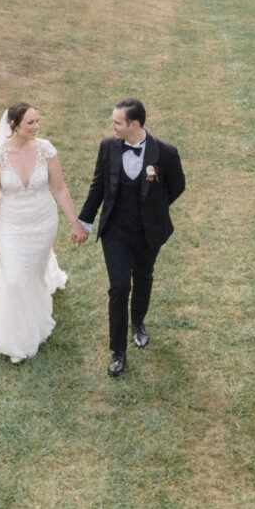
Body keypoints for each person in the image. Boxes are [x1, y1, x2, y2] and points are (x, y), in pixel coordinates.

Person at [73, 98, 185, 376]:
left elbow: (177, 186)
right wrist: (84, 222)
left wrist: (154, 210)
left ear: (134, 124)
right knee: (119, 286)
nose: (112, 126)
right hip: (116, 232)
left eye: (117, 122)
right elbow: (98, 186)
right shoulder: (108, 147)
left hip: (148, 232)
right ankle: (118, 351)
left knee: (143, 276)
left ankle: (138, 323)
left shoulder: (165, 153)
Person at [0, 103, 83, 363]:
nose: (37, 127)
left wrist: (75, 222)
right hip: (11, 225)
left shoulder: (46, 149)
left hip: (42, 221)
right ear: (13, 125)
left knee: (33, 274)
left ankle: (34, 307)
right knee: (14, 278)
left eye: (38, 121)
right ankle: (16, 340)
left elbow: (59, 188)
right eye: (31, 123)